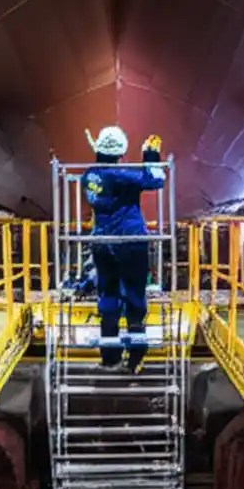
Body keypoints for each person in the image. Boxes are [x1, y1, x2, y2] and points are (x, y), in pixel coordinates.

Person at [82, 126, 165, 373]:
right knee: (134, 299)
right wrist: (150, 154)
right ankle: (135, 358)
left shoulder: (89, 175)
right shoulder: (122, 175)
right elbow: (156, 179)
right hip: (131, 242)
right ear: (120, 153)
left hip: (102, 243)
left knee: (108, 298)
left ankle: (110, 357)